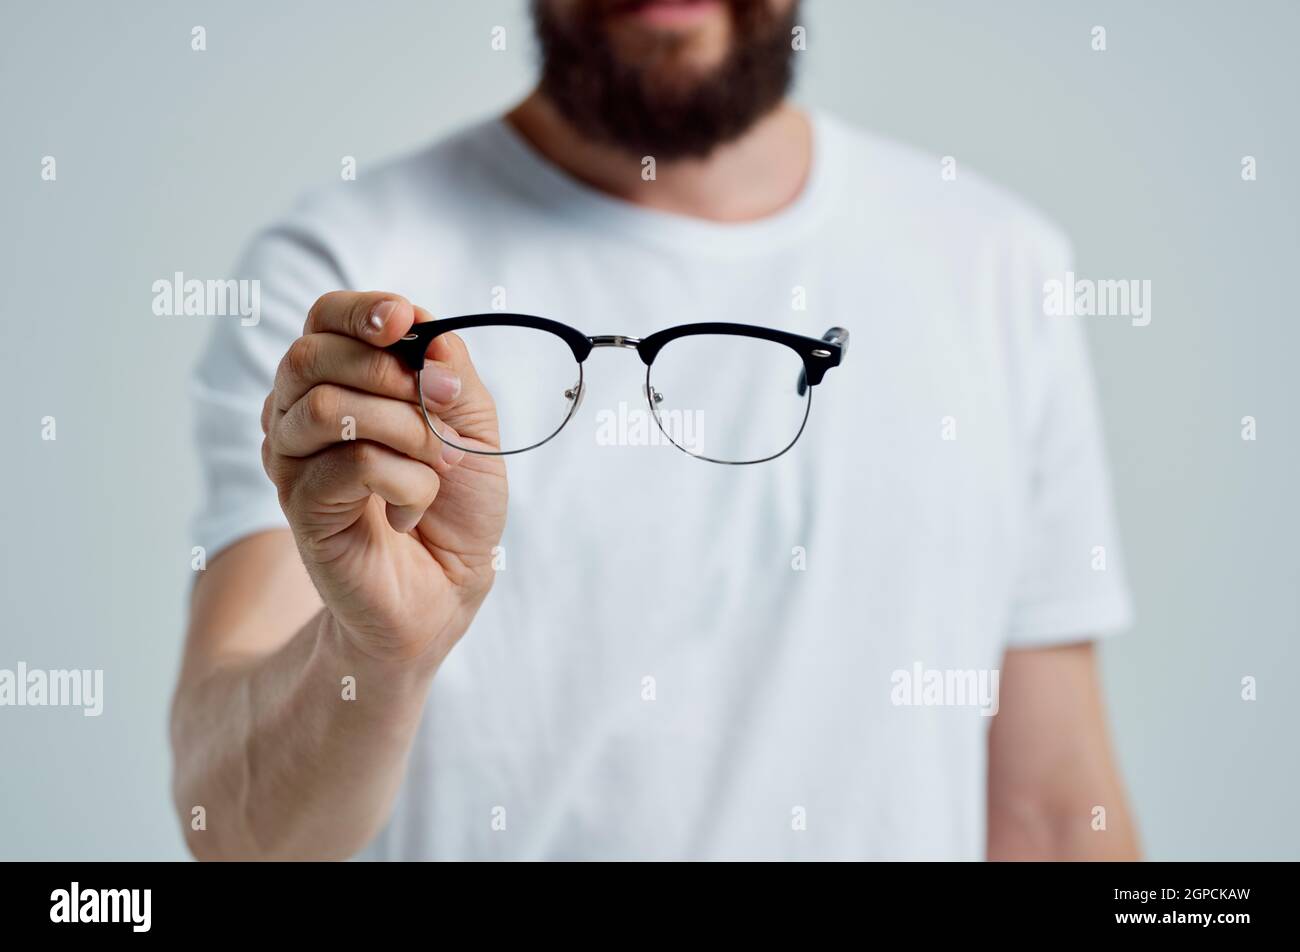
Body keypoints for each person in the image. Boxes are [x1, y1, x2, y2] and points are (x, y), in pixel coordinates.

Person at [172, 0, 1138, 860]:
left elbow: (1054, 819)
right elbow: (241, 837)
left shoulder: (996, 265)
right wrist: (376, 653)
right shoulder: (344, 276)